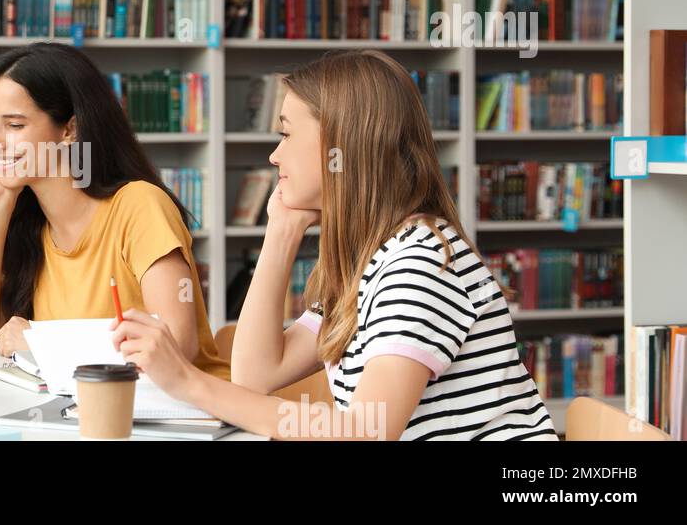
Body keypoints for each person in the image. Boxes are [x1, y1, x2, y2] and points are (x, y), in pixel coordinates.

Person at [111, 50, 557, 440]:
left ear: (339, 148)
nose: (274, 155)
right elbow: (256, 376)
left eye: (286, 134)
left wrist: (189, 382)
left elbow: (365, 432)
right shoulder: (369, 261)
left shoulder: (420, 263)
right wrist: (281, 233)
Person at [0, 42, 227, 379]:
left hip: (183, 416)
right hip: (89, 411)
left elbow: (178, 344)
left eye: (15, 125)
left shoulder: (139, 206)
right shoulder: (28, 225)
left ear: (69, 130)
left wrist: (42, 342)